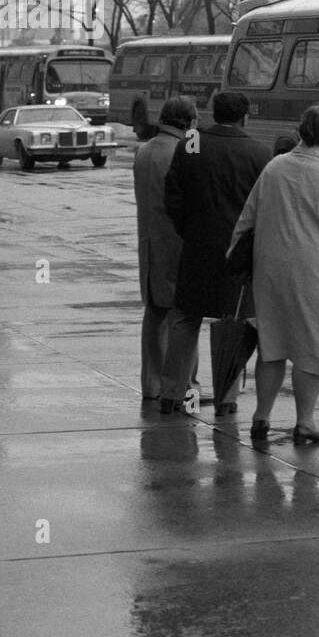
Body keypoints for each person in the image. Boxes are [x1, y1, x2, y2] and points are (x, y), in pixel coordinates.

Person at [229, 103, 319, 444]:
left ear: (300, 130)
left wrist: (237, 260)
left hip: (272, 270)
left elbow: (246, 219)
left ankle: (261, 417)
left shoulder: (275, 168)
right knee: (312, 348)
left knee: (272, 345)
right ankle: (305, 421)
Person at [160, 90, 272, 418]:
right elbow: (264, 209)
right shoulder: (259, 153)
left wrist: (190, 231)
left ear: (211, 112)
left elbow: (173, 199)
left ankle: (171, 394)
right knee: (234, 325)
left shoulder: (190, 146)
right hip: (238, 256)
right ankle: (227, 399)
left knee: (184, 319)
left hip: (196, 249)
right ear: (245, 116)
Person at [133, 96, 198, 406]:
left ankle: (151, 384)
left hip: (149, 241)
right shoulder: (183, 151)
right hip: (177, 243)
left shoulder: (144, 151)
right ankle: (184, 385)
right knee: (182, 317)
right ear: (187, 122)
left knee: (154, 313)